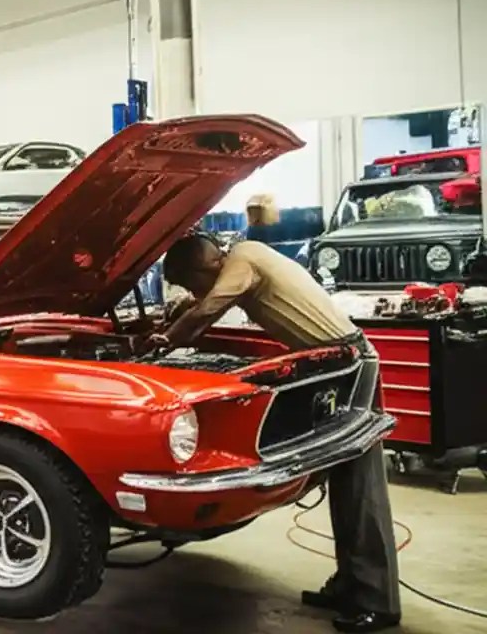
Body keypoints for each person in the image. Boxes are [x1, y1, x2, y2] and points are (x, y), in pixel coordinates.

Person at [147, 234, 401, 634]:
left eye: (189, 282)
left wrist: (165, 340)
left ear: (206, 267)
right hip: (331, 362)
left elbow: (210, 308)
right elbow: (203, 303)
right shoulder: (245, 257)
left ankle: (377, 601)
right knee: (345, 485)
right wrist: (183, 311)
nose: (194, 291)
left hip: (349, 364)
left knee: (360, 487)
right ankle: (352, 584)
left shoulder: (242, 262)